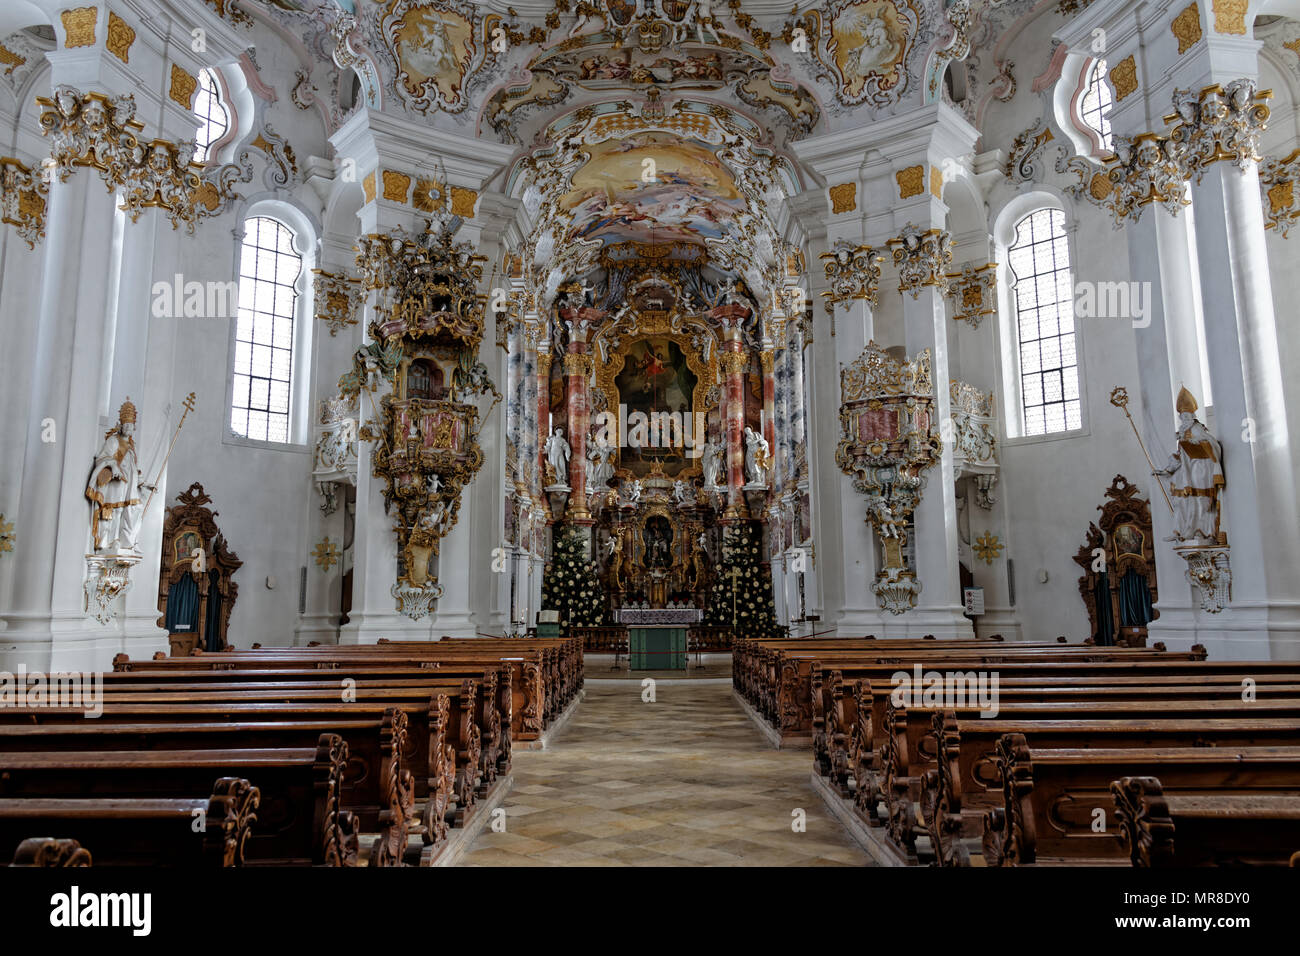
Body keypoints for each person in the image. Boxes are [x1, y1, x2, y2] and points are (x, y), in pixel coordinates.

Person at [86, 398, 146, 553]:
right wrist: (113, 465)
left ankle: (130, 541)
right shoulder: (114, 441)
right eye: (125, 425)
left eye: (131, 425)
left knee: (133, 509)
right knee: (116, 510)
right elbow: (102, 457)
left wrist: (143, 482)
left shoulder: (132, 445)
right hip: (116, 482)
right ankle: (112, 540)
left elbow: (134, 467)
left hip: (130, 485)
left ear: (134, 427)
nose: (128, 428)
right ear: (120, 425)